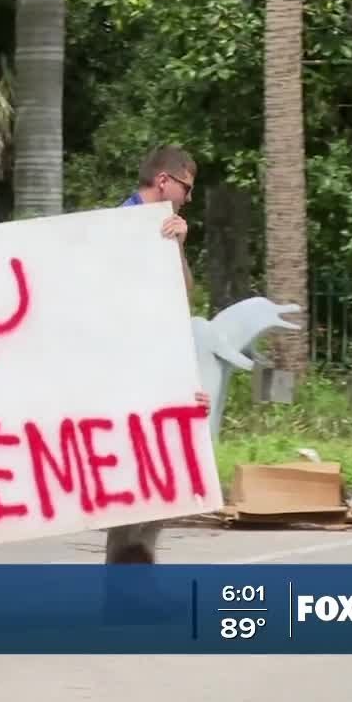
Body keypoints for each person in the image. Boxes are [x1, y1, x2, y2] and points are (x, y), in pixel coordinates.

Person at [106, 145, 209, 564]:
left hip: (158, 369)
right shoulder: (118, 225)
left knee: (165, 482)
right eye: (187, 187)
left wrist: (178, 247)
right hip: (126, 372)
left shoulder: (166, 229)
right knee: (135, 488)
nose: (189, 197)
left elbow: (182, 294)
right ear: (164, 180)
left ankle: (137, 581)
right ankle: (125, 585)